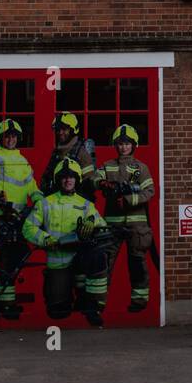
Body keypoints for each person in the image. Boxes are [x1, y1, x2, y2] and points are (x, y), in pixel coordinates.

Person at [22, 157, 109, 326]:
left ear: (77, 179)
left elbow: (102, 228)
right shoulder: (46, 203)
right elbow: (28, 227)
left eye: (71, 176)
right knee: (58, 313)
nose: (68, 180)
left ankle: (93, 306)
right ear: (58, 180)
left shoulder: (85, 205)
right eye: (64, 176)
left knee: (97, 256)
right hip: (58, 264)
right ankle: (67, 298)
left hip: (80, 261)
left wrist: (92, 222)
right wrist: (46, 240)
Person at [0, 117, 40, 319]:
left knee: (17, 260)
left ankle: (2, 296)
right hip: (3, 216)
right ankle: (3, 303)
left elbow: (31, 186)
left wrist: (40, 200)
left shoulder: (22, 160)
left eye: (14, 136)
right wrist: (0, 200)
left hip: (20, 217)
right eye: (7, 136)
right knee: (7, 260)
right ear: (0, 137)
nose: (11, 139)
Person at [94, 124, 156, 313]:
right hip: (112, 226)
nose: (123, 147)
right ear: (116, 145)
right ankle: (98, 303)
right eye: (120, 144)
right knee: (104, 264)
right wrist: (103, 183)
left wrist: (128, 200)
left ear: (133, 145)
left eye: (127, 143)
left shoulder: (140, 168)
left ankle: (139, 301)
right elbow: (94, 179)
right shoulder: (108, 165)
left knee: (137, 263)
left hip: (136, 226)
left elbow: (149, 192)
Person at [40, 112, 96, 198]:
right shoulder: (57, 152)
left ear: (73, 130)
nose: (60, 133)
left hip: (75, 204)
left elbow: (89, 183)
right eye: (58, 130)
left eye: (64, 129)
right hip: (56, 202)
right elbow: (47, 177)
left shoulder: (81, 152)